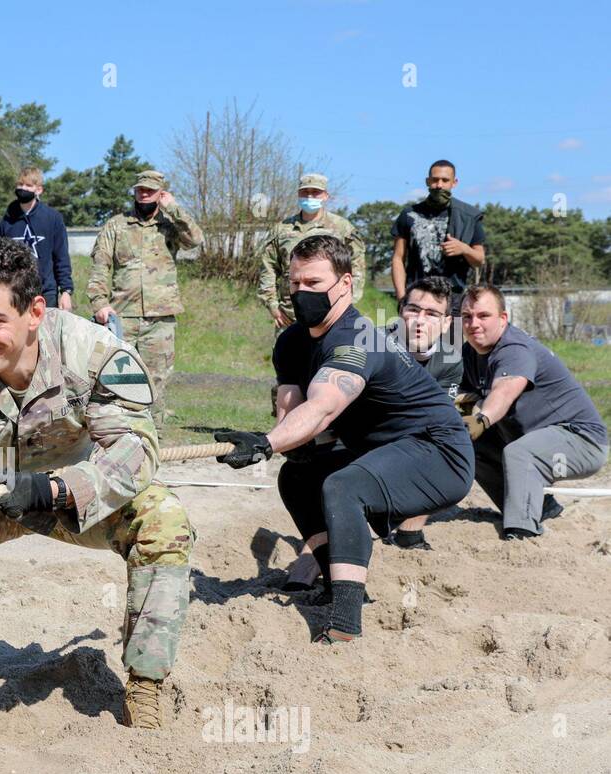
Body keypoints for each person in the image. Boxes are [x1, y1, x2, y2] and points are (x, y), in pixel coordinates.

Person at [0, 238, 195, 730]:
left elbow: (135, 452)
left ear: (35, 312)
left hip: (76, 497)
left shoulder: (93, 355)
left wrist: (53, 490)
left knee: (164, 520)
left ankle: (145, 685)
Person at [215, 234, 474, 644]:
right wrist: (276, 441)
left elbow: (322, 407)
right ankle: (336, 583)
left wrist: (265, 442)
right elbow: (293, 411)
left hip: (439, 453)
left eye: (313, 284)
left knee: (343, 487)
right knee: (297, 477)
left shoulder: (358, 338)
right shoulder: (291, 342)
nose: (301, 294)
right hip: (380, 450)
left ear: (346, 284)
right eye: (294, 284)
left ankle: (345, 625)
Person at [460, 284, 608, 539]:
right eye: (467, 316)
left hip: (583, 442)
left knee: (521, 454)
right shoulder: (469, 353)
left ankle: (522, 533)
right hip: (538, 438)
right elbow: (462, 396)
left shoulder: (514, 349)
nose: (474, 323)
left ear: (503, 318)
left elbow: (504, 391)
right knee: (470, 446)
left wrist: (480, 419)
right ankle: (541, 508)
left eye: (483, 316)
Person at [87, 169, 204, 425]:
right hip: (121, 316)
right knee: (114, 376)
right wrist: (99, 303)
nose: (144, 194)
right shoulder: (116, 225)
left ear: (161, 194)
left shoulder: (170, 226)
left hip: (160, 318)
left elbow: (195, 240)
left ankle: (153, 437)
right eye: (140, 190)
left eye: (150, 191)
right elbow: (100, 266)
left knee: (156, 379)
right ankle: (116, 432)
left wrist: (173, 208)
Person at [382, 276, 464, 549]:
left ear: (446, 323)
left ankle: (409, 532)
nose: (420, 320)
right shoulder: (375, 344)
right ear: (401, 310)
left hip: (409, 438)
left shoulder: (450, 360)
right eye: (413, 310)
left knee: (448, 444)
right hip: (363, 435)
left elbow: (438, 419)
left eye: (432, 314)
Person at [258, 172, 365, 332]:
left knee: (331, 356)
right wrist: (272, 304)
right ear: (298, 194)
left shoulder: (343, 229)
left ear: (326, 195)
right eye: (305, 192)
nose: (310, 196)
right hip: (290, 316)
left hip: (332, 316)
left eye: (315, 192)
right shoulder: (281, 230)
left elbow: (357, 266)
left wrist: (348, 301)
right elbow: (268, 267)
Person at [391, 160, 485, 311]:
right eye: (435, 180)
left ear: (454, 183)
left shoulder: (468, 216)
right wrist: (402, 298)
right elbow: (398, 258)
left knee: (451, 336)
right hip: (416, 296)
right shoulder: (409, 214)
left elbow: (479, 260)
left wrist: (464, 249)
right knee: (415, 336)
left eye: (445, 180)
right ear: (428, 181)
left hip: (452, 300)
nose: (439, 185)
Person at [0, 166, 74, 311]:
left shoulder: (53, 218)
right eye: (20, 184)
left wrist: (66, 291)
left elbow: (61, 257)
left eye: (28, 185)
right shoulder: (7, 220)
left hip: (46, 292)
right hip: (14, 292)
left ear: (39, 190)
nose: (23, 188)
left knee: (46, 333)